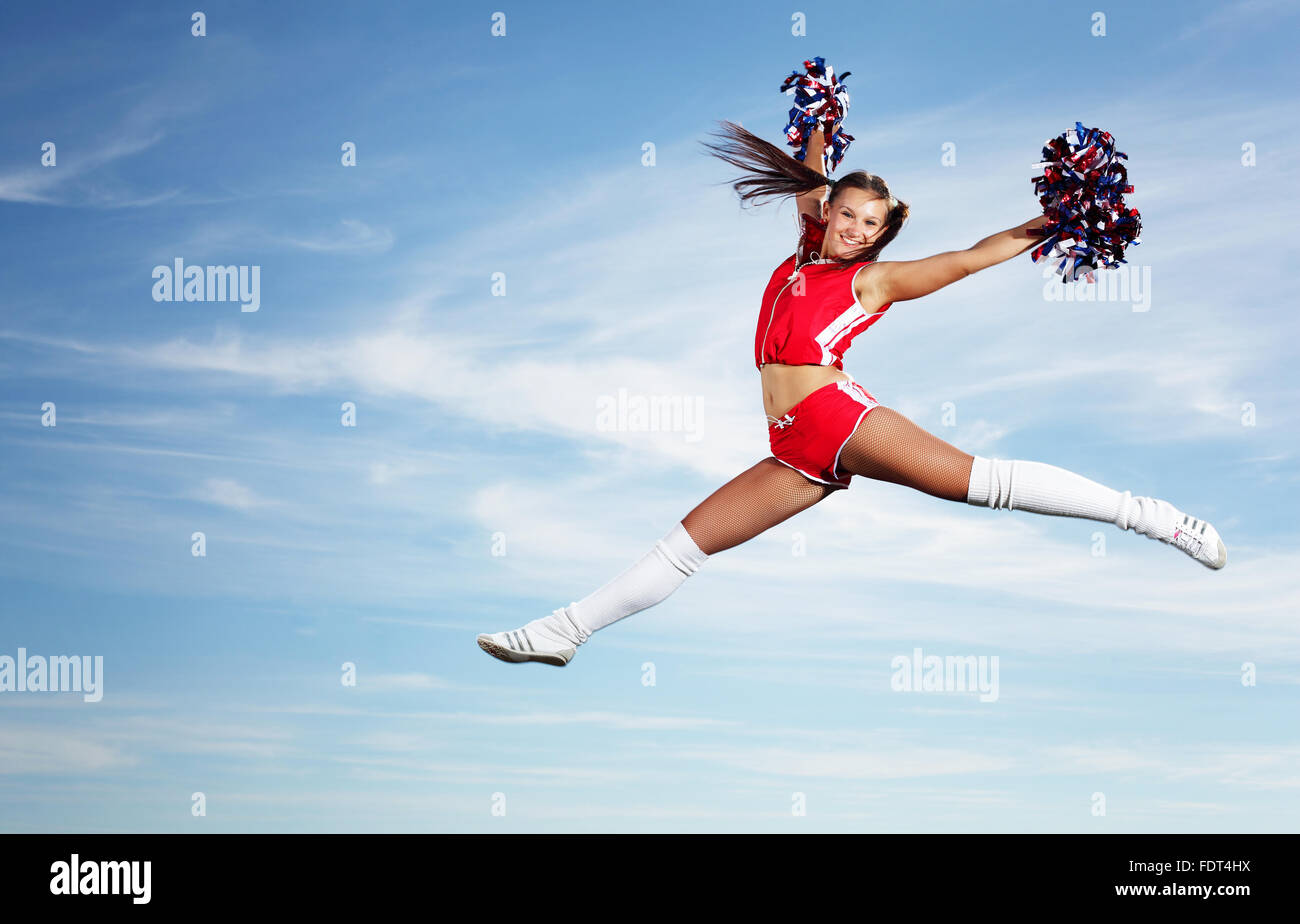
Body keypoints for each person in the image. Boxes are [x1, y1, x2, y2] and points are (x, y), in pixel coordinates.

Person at [477, 120, 1226, 667]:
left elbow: (967, 260)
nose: (857, 230)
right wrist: (819, 127)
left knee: (978, 482)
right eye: (847, 215)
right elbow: (808, 177)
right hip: (791, 448)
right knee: (686, 544)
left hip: (835, 416)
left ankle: (1152, 517)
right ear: (828, 213)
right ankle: (564, 632)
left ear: (878, 236)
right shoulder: (805, 253)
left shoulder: (871, 281)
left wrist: (1060, 215)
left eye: (872, 224)